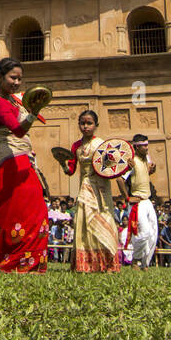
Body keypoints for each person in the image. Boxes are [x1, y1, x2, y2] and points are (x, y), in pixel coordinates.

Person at [0, 58, 48, 272]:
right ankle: (13, 259)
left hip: (22, 157)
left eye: (20, 79)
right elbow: (17, 130)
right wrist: (33, 114)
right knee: (18, 210)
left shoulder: (13, 100)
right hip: (11, 159)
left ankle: (29, 260)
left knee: (33, 208)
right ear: (0, 78)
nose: (17, 82)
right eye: (13, 78)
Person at [60, 110, 120, 272]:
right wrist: (63, 163)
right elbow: (70, 171)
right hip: (85, 185)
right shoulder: (76, 146)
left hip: (101, 188)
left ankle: (106, 264)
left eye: (89, 123)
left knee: (104, 219)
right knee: (85, 221)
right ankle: (86, 264)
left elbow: (112, 167)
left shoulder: (101, 144)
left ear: (96, 125)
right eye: (82, 123)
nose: (85, 126)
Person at [120, 133, 158, 269]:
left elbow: (144, 174)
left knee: (153, 233)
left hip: (147, 200)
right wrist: (127, 198)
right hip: (137, 202)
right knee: (144, 232)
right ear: (136, 147)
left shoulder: (145, 159)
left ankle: (145, 263)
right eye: (144, 146)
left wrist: (150, 171)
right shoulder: (132, 161)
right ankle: (135, 260)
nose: (147, 148)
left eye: (147, 145)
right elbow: (120, 179)